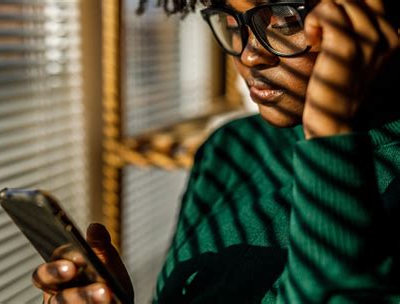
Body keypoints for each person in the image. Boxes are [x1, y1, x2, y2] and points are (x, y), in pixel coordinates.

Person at [32, 0, 399, 303]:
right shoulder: (229, 149)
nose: (249, 55)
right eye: (231, 21)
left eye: (286, 20)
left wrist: (330, 131)